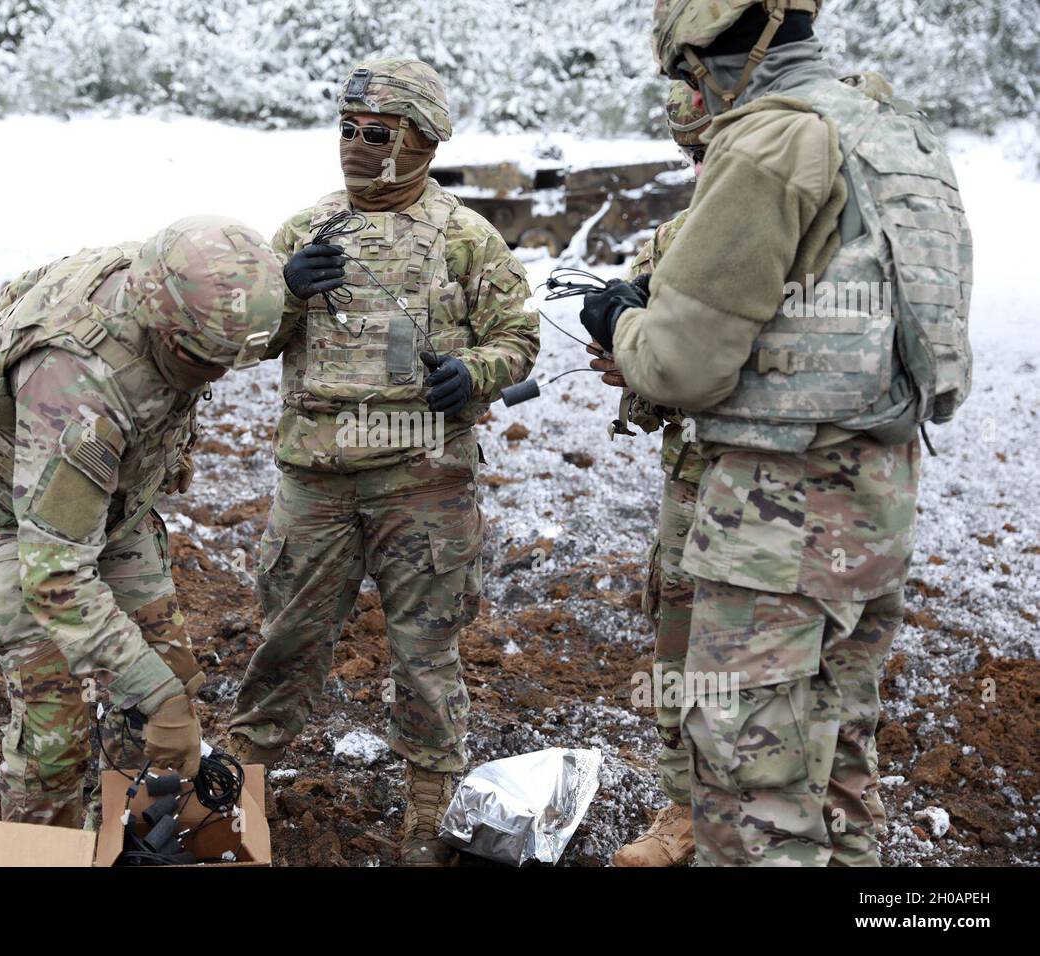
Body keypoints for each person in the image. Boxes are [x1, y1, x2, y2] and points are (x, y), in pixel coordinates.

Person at [581, 0, 972, 865]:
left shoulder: (768, 140)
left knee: (751, 787)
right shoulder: (891, 125)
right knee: (835, 761)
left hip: (774, 519)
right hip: (878, 499)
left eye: (687, 73)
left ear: (698, 52)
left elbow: (683, 365)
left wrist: (617, 325)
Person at [223, 57, 540, 865]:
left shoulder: (467, 238)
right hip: (316, 482)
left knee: (425, 653)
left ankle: (429, 820)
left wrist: (475, 373)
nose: (356, 148)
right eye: (347, 131)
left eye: (378, 134)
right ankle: (232, 801)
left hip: (423, 483)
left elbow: (519, 340)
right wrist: (284, 291)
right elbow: (245, 341)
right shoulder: (305, 230)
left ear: (423, 142)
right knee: (285, 643)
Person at [0, 217, 284, 827]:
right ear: (164, 330)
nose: (217, 376)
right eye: (203, 361)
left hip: (111, 500)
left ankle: (133, 836)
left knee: (164, 678)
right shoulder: (75, 387)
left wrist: (162, 695)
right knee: (56, 722)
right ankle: (43, 849)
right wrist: (159, 697)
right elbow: (57, 578)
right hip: (3, 508)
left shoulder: (184, 283)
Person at [603, 80, 709, 868]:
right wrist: (628, 359)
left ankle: (834, 826)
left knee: (808, 671)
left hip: (794, 496)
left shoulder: (821, 236)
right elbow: (650, 398)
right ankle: (685, 809)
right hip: (694, 489)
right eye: (693, 154)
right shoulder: (673, 241)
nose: (707, 167)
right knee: (677, 655)